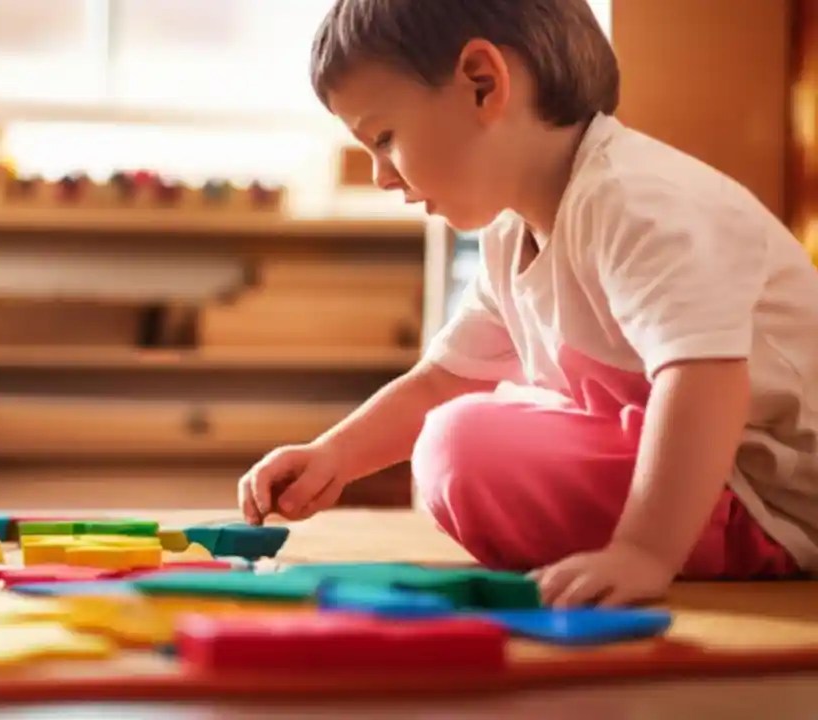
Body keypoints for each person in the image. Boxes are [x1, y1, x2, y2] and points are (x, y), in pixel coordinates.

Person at [238, 0, 818, 607]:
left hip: (769, 499)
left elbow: (704, 378)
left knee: (463, 447)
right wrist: (332, 455)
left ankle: (654, 544)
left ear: (482, 84)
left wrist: (644, 552)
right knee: (463, 440)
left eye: (385, 137)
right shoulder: (513, 233)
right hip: (706, 485)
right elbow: (445, 381)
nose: (382, 175)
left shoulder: (636, 200)